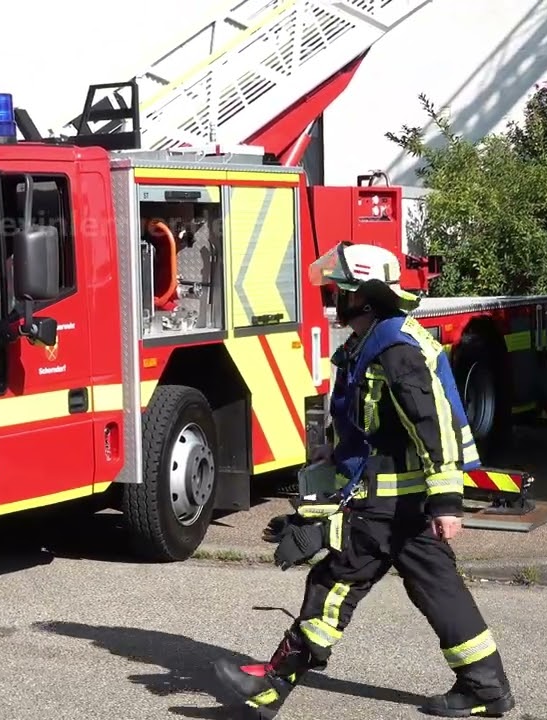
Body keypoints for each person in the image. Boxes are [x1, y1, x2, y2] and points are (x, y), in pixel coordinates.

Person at [213, 242, 515, 718]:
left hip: (392, 503)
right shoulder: (373, 342)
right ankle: (487, 688)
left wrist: (447, 502)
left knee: (334, 582)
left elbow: (430, 424)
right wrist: (327, 475)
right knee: (438, 589)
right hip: (399, 503)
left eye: (344, 291)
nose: (336, 299)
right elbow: (371, 430)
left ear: (368, 298)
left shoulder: (394, 350)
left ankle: (271, 687)